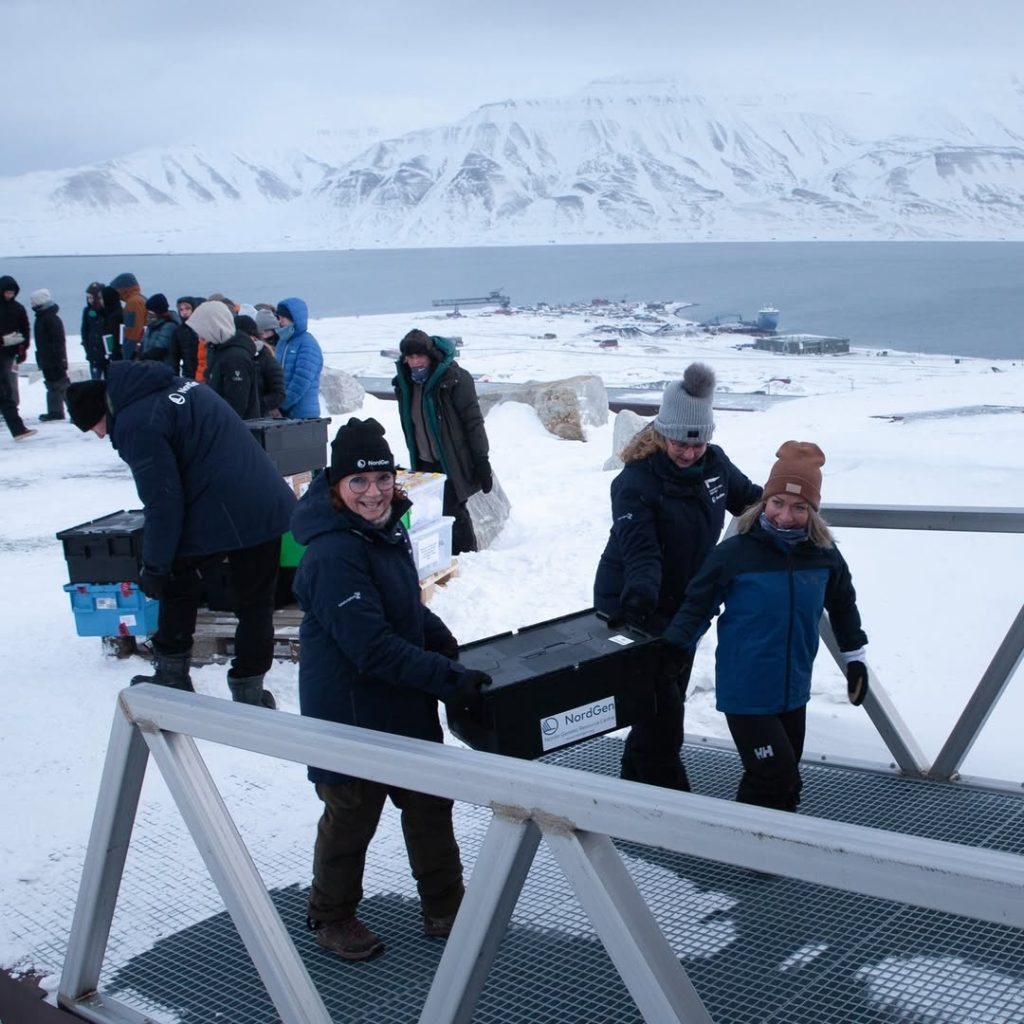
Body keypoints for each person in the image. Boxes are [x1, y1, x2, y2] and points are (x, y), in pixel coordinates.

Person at [290, 417, 490, 961]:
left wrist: (442, 642)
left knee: (429, 802)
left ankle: (446, 907)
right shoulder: (332, 554)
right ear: (336, 487)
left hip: (402, 697)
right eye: (359, 482)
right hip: (349, 709)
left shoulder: (385, 530)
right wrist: (448, 680)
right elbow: (371, 647)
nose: (373, 492)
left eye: (382, 478)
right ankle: (330, 914)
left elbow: (402, 605)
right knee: (352, 814)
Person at [64, 363, 295, 707]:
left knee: (175, 578)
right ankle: (249, 691)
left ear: (102, 412)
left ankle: (172, 676)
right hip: (265, 499)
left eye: (94, 428)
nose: (99, 435)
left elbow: (162, 501)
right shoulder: (178, 386)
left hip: (225, 505)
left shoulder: (136, 423)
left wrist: (154, 567)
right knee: (256, 602)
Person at [664, 441, 869, 811]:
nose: (785, 517)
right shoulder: (735, 554)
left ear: (813, 510)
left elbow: (842, 603)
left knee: (782, 781)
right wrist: (671, 655)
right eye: (777, 503)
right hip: (747, 693)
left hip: (794, 689)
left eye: (799, 507)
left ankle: (768, 858)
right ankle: (749, 860)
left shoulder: (823, 555)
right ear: (764, 501)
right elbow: (696, 607)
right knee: (776, 776)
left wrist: (855, 657)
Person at [593, 362, 761, 791]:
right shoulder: (635, 482)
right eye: (679, 443)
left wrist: (792, 512)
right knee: (664, 719)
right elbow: (641, 554)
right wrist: (639, 612)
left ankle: (630, 795)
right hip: (634, 602)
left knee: (659, 708)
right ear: (662, 433)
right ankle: (676, 811)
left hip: (686, 608)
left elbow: (750, 503)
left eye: (698, 443)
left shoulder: (716, 466)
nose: (689, 453)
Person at [392, 329, 492, 555]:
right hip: (424, 460)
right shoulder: (405, 384)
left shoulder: (454, 378)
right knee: (429, 513)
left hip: (453, 458)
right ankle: (441, 557)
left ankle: (467, 557)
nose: (415, 361)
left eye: (420, 355)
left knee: (454, 509)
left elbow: (473, 420)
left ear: (430, 355)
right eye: (410, 356)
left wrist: (481, 459)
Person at [187, 301, 260, 419]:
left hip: (236, 431)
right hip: (224, 426)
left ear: (214, 326)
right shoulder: (219, 350)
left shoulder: (235, 358)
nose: (200, 337)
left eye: (202, 330)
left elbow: (236, 405)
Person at [274, 297, 323, 418]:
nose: (279, 322)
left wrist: (282, 403)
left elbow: (302, 380)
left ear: (294, 319)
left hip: (303, 413)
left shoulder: (308, 343)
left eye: (282, 318)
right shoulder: (283, 342)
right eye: (278, 318)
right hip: (285, 412)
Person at [0, 275, 34, 441]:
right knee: (5, 393)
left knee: (7, 391)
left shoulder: (18, 308)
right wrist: (3, 340)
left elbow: (26, 329)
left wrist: (22, 346)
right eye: (6, 292)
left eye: (12, 293)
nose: (9, 295)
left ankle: (18, 428)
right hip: (3, 350)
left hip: (10, 354)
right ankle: (18, 428)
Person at [30, 289, 69, 422]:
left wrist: (58, 359)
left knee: (62, 385)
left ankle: (76, 410)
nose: (31, 303)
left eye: (34, 301)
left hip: (55, 358)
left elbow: (58, 341)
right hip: (46, 358)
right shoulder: (41, 318)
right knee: (51, 385)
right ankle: (55, 411)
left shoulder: (51, 318)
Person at [237, 314, 285, 417]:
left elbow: (278, 394)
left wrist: (255, 405)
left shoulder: (265, 358)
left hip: (261, 419)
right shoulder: (234, 358)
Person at [108, 272, 147, 360]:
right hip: (144, 345)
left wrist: (127, 351)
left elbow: (133, 329)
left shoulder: (133, 303)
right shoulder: (141, 298)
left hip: (136, 350)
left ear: (122, 289)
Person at [140, 294, 179, 364]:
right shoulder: (151, 325)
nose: (148, 314)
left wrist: (143, 358)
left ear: (157, 311)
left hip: (162, 366)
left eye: (151, 311)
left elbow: (161, 348)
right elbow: (143, 343)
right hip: (149, 365)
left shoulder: (169, 325)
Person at [80, 283, 108, 379]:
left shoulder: (107, 311)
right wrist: (87, 348)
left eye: (91, 297)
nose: (89, 300)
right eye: (88, 298)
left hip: (106, 354)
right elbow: (84, 331)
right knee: (95, 382)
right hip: (93, 354)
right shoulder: (87, 311)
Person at [171, 296, 202, 379]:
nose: (184, 312)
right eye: (181, 309)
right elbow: (174, 357)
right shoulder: (178, 331)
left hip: (204, 372)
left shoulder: (203, 327)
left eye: (187, 308)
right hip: (188, 373)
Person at [100, 286, 124, 362]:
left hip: (117, 357)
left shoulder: (116, 316)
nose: (100, 301)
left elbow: (117, 339)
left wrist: (114, 355)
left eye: (101, 298)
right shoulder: (107, 313)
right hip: (111, 355)